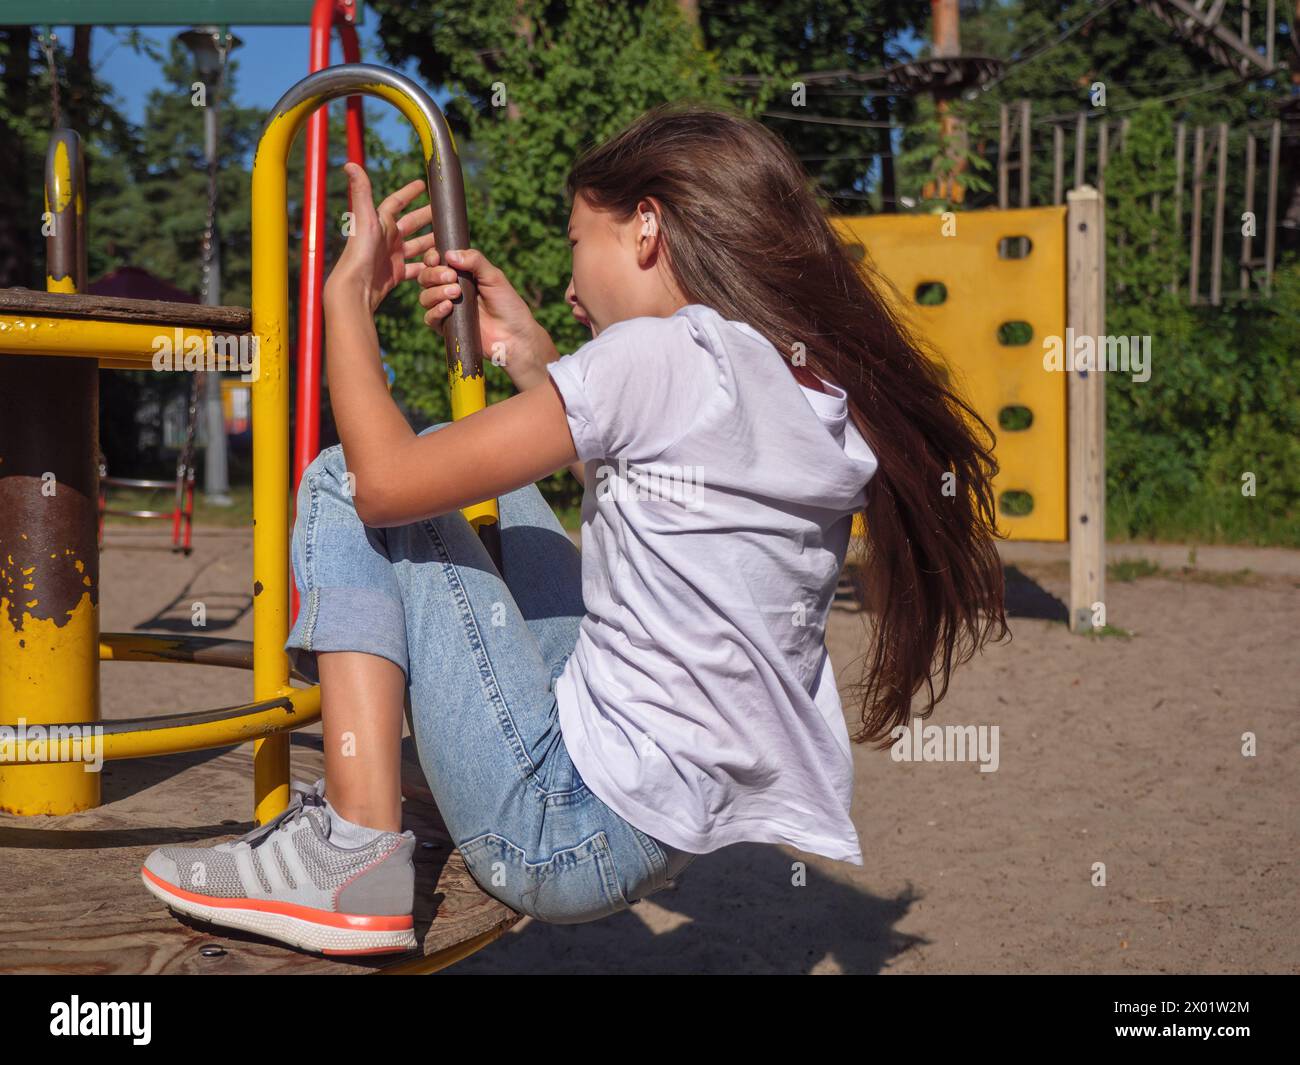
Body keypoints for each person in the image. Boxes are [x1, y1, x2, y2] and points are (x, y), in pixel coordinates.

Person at [141, 104, 1008, 957]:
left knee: (342, 477)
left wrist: (343, 304)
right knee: (492, 485)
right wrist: (533, 355)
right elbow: (661, 516)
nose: (565, 280)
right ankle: (405, 790)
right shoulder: (791, 377)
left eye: (574, 244)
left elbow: (384, 486)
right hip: (654, 828)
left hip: (558, 827)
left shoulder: (660, 356)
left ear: (645, 229)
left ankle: (350, 855)